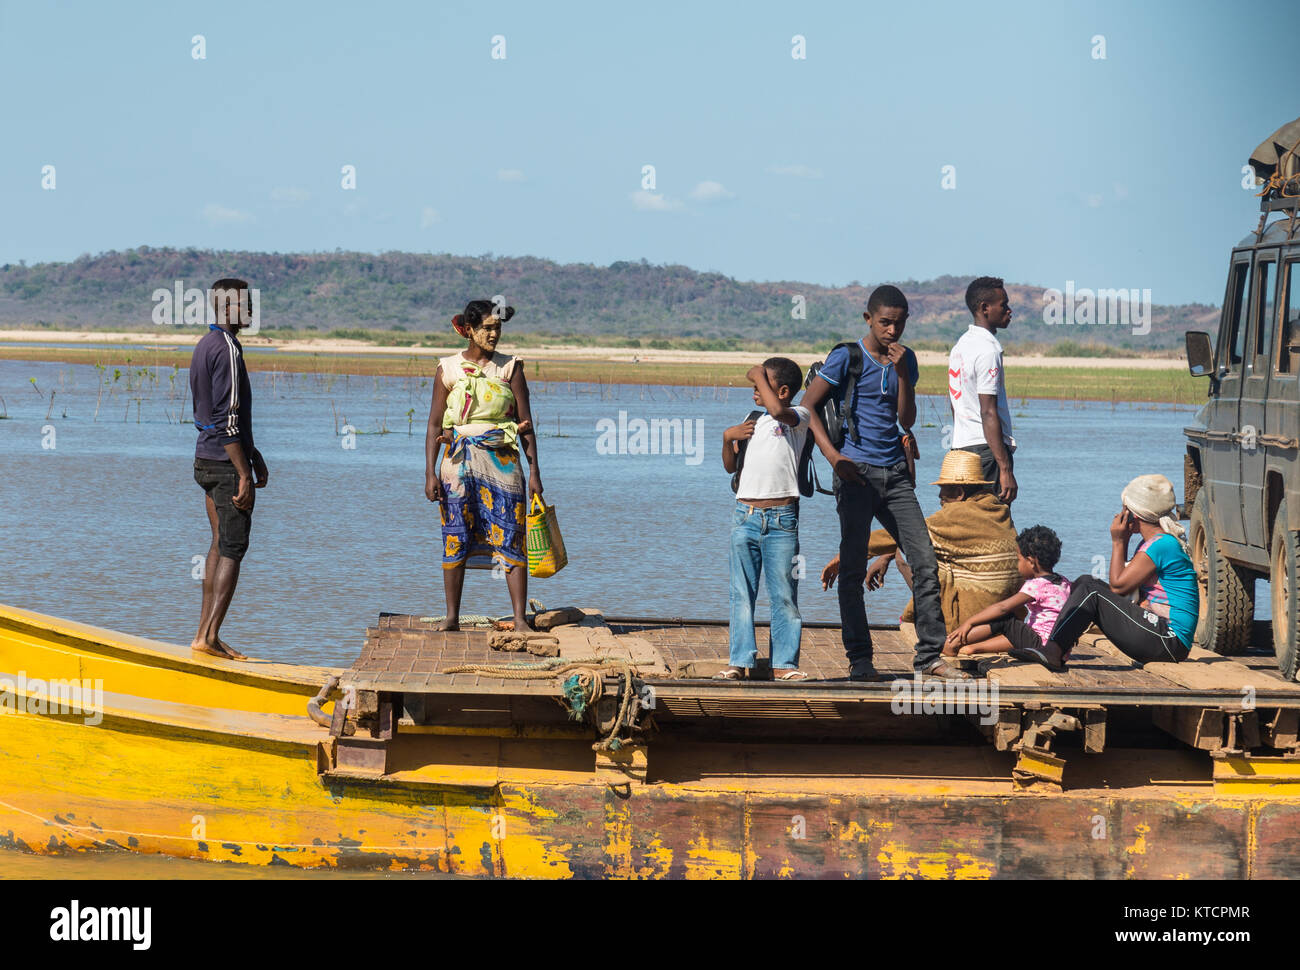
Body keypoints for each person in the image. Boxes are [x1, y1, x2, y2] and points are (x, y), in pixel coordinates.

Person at [802, 285, 967, 681]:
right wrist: (834, 457)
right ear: (868, 320)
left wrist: (900, 373)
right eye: (885, 322)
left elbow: (906, 419)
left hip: (895, 475)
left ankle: (929, 656)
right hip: (855, 475)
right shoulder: (847, 357)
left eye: (900, 322)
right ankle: (860, 660)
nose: (893, 330)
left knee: (925, 559)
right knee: (854, 567)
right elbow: (806, 407)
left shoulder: (904, 360)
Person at [424, 300, 541, 632]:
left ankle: (519, 619)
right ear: (470, 331)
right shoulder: (447, 368)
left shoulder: (509, 368)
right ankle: (451, 617)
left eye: (498, 328)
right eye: (487, 328)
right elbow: (434, 425)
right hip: (457, 464)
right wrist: (430, 472)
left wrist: (534, 472)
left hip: (503, 465)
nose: (494, 334)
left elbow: (526, 423)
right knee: (456, 535)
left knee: (511, 535)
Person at [820, 450, 1021, 633]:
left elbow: (907, 534)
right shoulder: (998, 509)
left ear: (959, 493)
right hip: (1006, 613)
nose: (940, 496)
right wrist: (883, 557)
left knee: (914, 555)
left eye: (944, 490)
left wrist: (844, 555)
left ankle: (932, 627)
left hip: (972, 616)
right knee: (918, 549)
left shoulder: (959, 514)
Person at [1012, 474, 1197, 671]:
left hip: (1169, 640)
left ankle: (1053, 650)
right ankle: (1054, 647)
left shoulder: (1162, 545)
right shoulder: (1151, 544)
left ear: (1135, 514)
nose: (1119, 515)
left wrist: (1119, 541)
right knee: (1085, 581)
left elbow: (1117, 587)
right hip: (1158, 634)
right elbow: (1124, 590)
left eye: (1124, 509)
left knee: (1092, 590)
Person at [718, 359, 810, 681]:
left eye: (762, 385)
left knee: (784, 594)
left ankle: (784, 664)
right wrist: (727, 438)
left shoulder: (798, 417)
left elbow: (777, 411)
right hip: (745, 517)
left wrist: (758, 371)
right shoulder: (752, 419)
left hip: (782, 520)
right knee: (741, 593)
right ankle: (739, 661)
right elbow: (731, 467)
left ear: (783, 392)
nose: (755, 389)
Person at [190, 278, 267, 660]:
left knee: (219, 543)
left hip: (206, 458)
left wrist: (253, 454)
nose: (251, 310)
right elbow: (229, 417)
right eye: (246, 304)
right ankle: (208, 636)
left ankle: (206, 635)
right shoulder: (228, 349)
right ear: (227, 307)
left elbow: (214, 417)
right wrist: (243, 473)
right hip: (224, 463)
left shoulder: (204, 345)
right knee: (233, 547)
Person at [943, 525, 1071, 659]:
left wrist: (969, 622)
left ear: (1031, 562)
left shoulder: (1037, 585)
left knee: (1004, 618)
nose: (1017, 565)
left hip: (1041, 647)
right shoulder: (1064, 583)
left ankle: (952, 643)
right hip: (1057, 648)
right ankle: (973, 647)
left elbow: (1002, 608)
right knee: (1018, 628)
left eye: (1019, 559)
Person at [948, 276, 1017, 505]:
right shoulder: (988, 350)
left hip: (961, 448)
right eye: (1004, 304)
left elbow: (955, 405)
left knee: (968, 523)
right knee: (995, 525)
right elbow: (988, 411)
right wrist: (1004, 468)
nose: (1009, 310)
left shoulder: (961, 347)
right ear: (985, 308)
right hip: (987, 452)